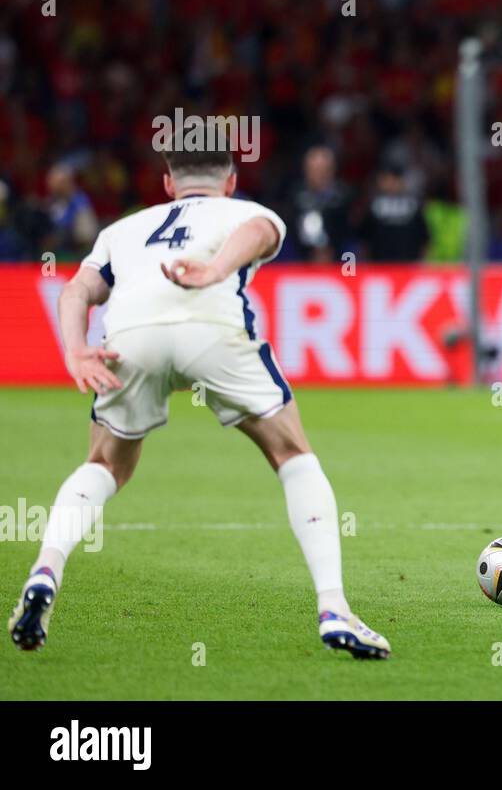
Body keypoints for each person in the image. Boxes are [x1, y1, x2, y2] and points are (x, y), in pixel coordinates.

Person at [9, 145, 390, 658]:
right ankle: (334, 609)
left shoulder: (123, 228)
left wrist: (77, 351)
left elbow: (76, 291)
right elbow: (254, 234)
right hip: (211, 327)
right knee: (292, 454)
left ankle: (46, 570)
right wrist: (213, 271)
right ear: (230, 182)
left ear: (168, 184)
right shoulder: (248, 211)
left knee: (104, 463)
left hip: (131, 335)